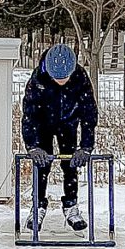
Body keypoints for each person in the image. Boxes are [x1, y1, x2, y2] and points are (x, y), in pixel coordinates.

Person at [21, 42, 98, 231]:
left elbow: (89, 114)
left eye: (65, 77)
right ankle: (38, 206)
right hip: (43, 124)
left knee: (70, 164)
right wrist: (32, 146)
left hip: (68, 123)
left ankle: (71, 206)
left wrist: (86, 147)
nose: (61, 81)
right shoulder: (37, 80)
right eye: (57, 78)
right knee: (42, 165)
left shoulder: (80, 78)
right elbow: (29, 115)